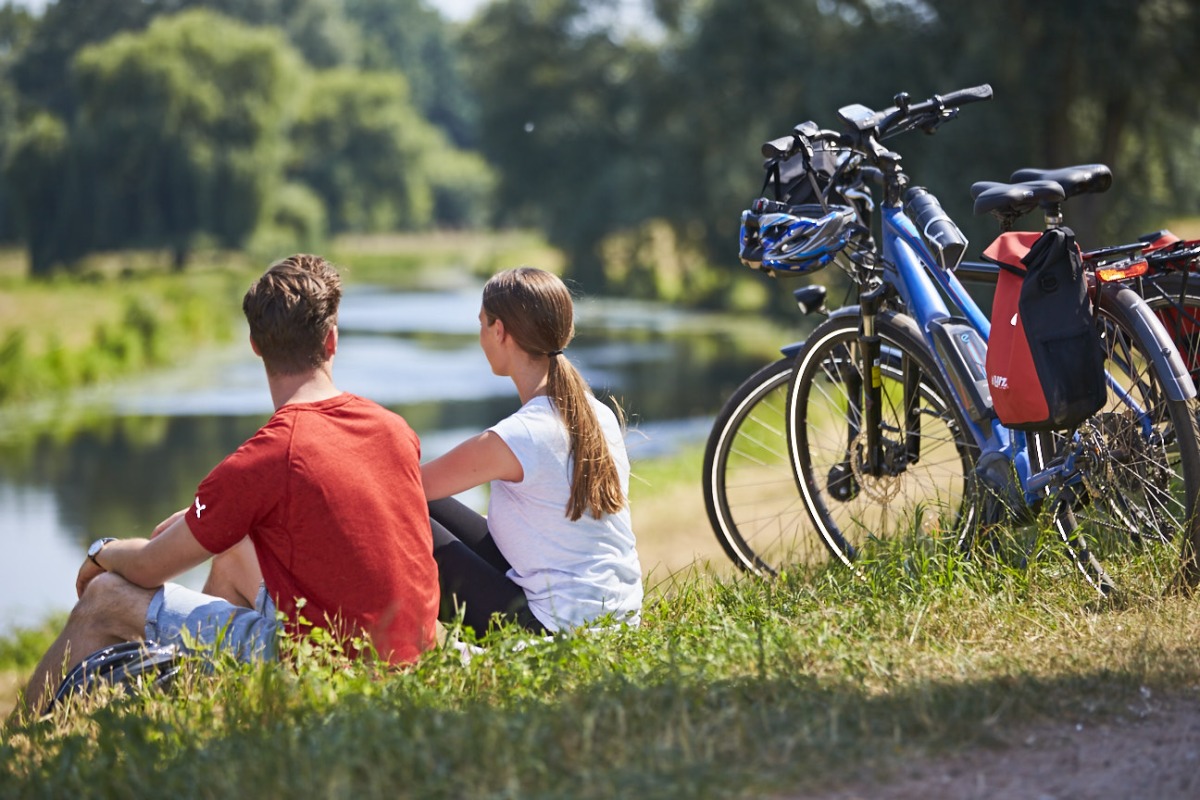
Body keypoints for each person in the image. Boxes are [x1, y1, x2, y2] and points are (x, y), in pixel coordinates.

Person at [15, 254, 439, 719]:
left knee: (103, 599)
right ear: (332, 340)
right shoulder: (395, 428)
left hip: (326, 670)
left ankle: (15, 744)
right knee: (234, 549)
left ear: (255, 345)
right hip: (412, 658)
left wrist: (103, 550)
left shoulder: (264, 457)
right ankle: (210, 708)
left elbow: (149, 568)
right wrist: (212, 522)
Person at [422, 267, 642, 636]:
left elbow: (402, 487)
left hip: (555, 629)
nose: (480, 337)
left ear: (499, 331)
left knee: (402, 509)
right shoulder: (596, 412)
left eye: (481, 325)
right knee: (425, 503)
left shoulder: (518, 437)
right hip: (616, 616)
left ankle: (379, 636)